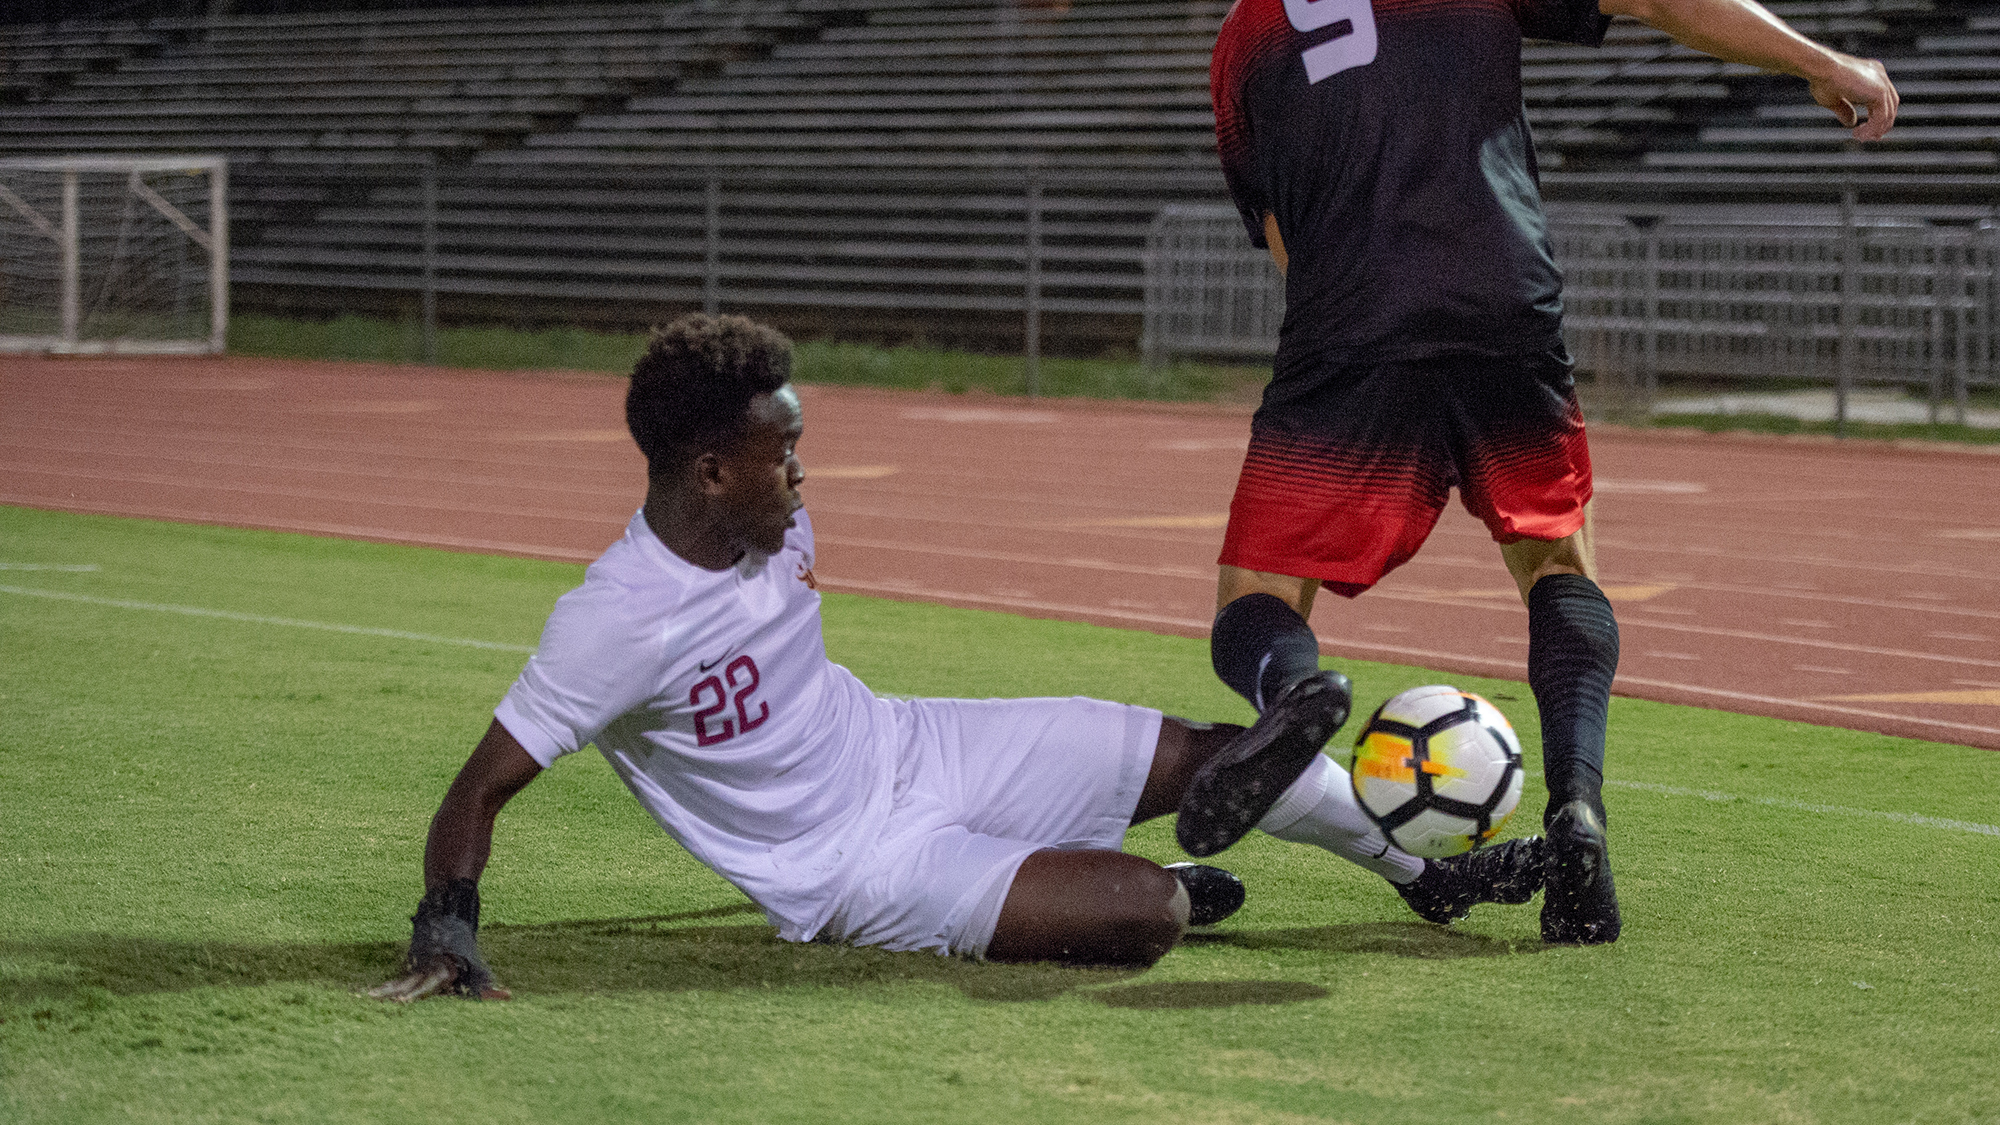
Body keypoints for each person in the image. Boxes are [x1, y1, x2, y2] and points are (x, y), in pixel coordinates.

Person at [371, 313, 1546, 1001]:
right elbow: (480, 786)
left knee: (1209, 753)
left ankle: (1423, 876)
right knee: (1143, 917)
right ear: (708, 474)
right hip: (851, 864)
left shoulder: (769, 518)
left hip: (907, 739)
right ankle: (1154, 882)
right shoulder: (616, 618)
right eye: (782, 454)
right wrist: (446, 925)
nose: (803, 473)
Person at [1186, 0, 1900, 943]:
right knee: (1556, 562)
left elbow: (1281, 232)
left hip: (1350, 308)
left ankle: (1292, 692)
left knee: (1259, 592)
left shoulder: (1242, 40)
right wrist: (1820, 61)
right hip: (1501, 291)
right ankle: (1577, 811)